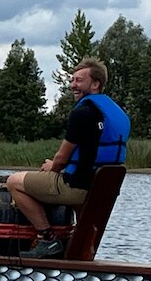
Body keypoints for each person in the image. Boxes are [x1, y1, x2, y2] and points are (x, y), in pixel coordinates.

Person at [7, 57, 130, 259]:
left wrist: (51, 168)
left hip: (77, 189)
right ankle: (83, 252)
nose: (73, 85)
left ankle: (47, 239)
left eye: (79, 80)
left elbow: (62, 158)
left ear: (96, 83)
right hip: (102, 192)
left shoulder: (83, 112)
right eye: (72, 80)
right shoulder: (117, 113)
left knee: (13, 182)